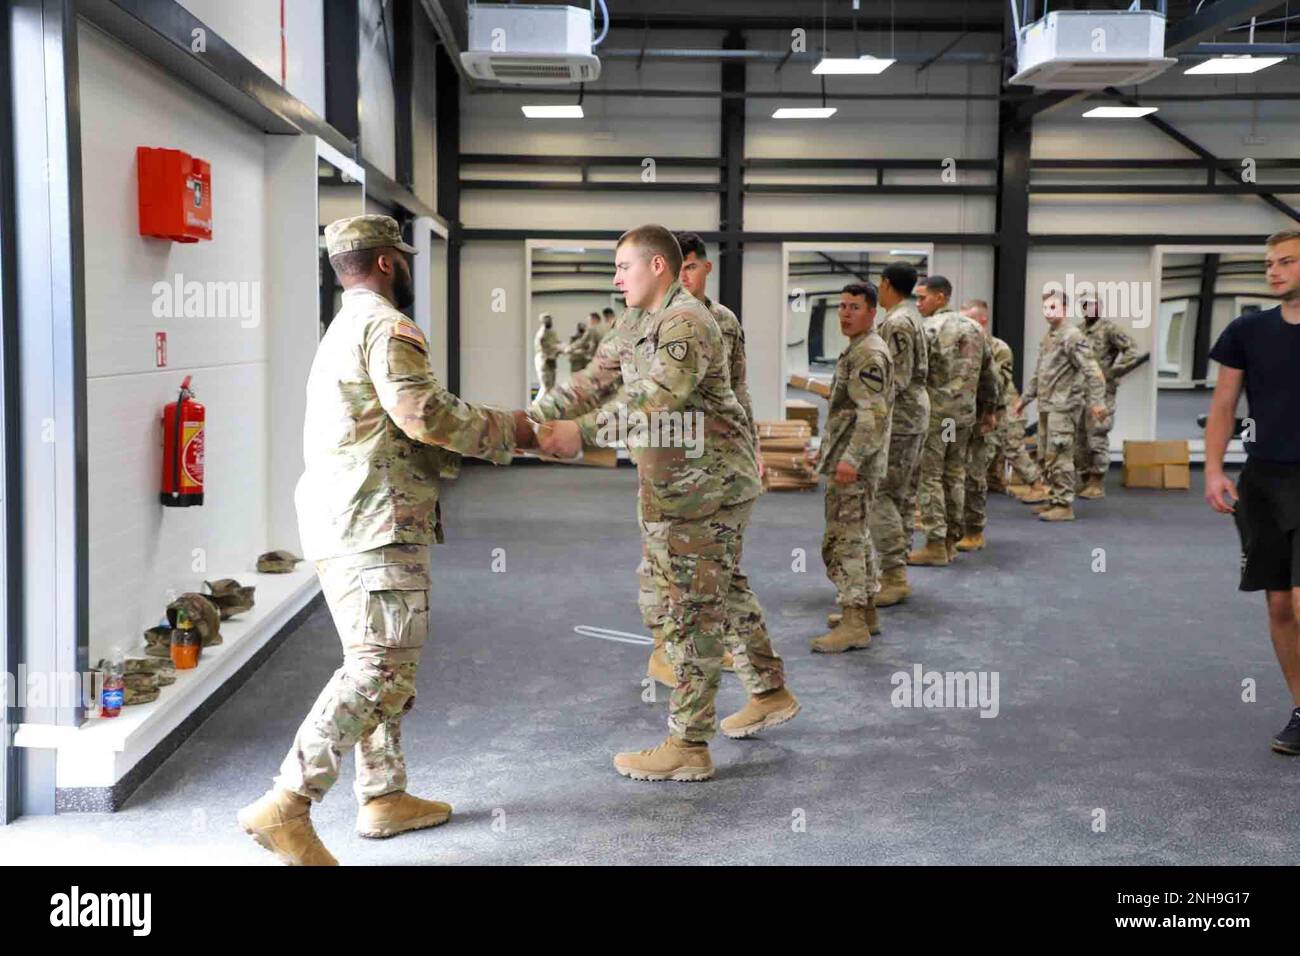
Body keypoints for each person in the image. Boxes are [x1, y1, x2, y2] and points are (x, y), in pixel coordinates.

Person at [238, 215, 533, 865]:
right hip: (374, 520)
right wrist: (518, 430)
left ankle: (383, 795)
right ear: (386, 264)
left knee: (384, 660)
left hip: (348, 517)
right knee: (377, 663)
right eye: (403, 257)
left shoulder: (343, 328)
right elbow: (422, 414)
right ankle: (288, 803)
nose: (406, 267)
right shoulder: (386, 327)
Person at [532, 224, 798, 780]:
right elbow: (594, 379)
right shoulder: (635, 320)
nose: (614, 278)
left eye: (622, 268)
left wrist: (580, 434)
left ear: (657, 267)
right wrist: (534, 414)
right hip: (674, 484)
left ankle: (689, 745)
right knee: (718, 589)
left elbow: (658, 398)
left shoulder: (688, 321)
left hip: (707, 486)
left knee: (692, 609)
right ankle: (769, 691)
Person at [1205, 228, 1300, 755]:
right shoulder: (1247, 331)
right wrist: (1215, 469)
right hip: (1264, 479)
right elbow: (1224, 404)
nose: (1273, 270)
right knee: (1280, 602)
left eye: (1286, 261)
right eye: (1269, 263)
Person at [811, 283, 894, 651]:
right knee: (856, 537)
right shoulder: (858, 349)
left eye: (855, 307)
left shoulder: (869, 354)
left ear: (872, 311)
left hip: (856, 464)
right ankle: (867, 612)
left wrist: (851, 459)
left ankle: (853, 621)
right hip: (851, 458)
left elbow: (871, 416)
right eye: (842, 306)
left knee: (843, 541)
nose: (845, 314)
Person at [908, 277, 997, 566]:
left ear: (941, 297)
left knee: (930, 476)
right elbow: (988, 376)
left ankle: (935, 543)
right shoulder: (975, 329)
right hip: (961, 417)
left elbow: (913, 374)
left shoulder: (928, 329)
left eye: (923, 298)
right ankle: (950, 541)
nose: (918, 304)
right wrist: (989, 411)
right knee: (954, 474)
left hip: (937, 417)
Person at [1013, 291, 1107, 522]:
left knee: (1061, 453)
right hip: (1047, 405)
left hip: (1064, 406)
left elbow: (1093, 371)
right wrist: (1024, 400)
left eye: (1053, 308)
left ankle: (1064, 505)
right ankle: (1055, 499)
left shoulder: (1072, 336)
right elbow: (1040, 374)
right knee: (1048, 455)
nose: (1048, 312)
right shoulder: (1049, 337)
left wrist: (1097, 402)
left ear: (1064, 309)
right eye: (1045, 308)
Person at [868, 262, 930, 605]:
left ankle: (893, 573)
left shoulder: (896, 322)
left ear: (887, 284)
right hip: (915, 412)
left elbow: (895, 377)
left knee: (882, 494)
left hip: (902, 416)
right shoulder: (912, 316)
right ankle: (897, 564)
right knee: (903, 493)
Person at [957, 299, 1011, 551]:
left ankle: (975, 530)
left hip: (984, 421)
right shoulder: (958, 347)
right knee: (951, 472)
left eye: (968, 319)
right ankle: (953, 525)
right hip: (957, 420)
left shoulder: (999, 349)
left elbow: (998, 387)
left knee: (974, 475)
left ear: (982, 321)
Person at [1075, 296, 1139, 500]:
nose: (1088, 309)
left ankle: (1097, 481)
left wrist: (1113, 372)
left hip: (1102, 393)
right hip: (1079, 391)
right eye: (1085, 306)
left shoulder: (1109, 329)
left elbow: (1132, 350)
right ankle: (1085, 479)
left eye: (1092, 305)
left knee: (1097, 435)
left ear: (1099, 308)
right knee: (1079, 438)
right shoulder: (1077, 331)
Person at [534, 313, 561, 400]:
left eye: (550, 319)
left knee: (551, 387)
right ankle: (535, 408)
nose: (549, 322)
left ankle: (547, 409)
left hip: (551, 360)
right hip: (544, 360)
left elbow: (557, 344)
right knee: (545, 387)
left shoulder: (552, 333)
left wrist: (560, 349)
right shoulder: (541, 333)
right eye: (546, 320)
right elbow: (544, 346)